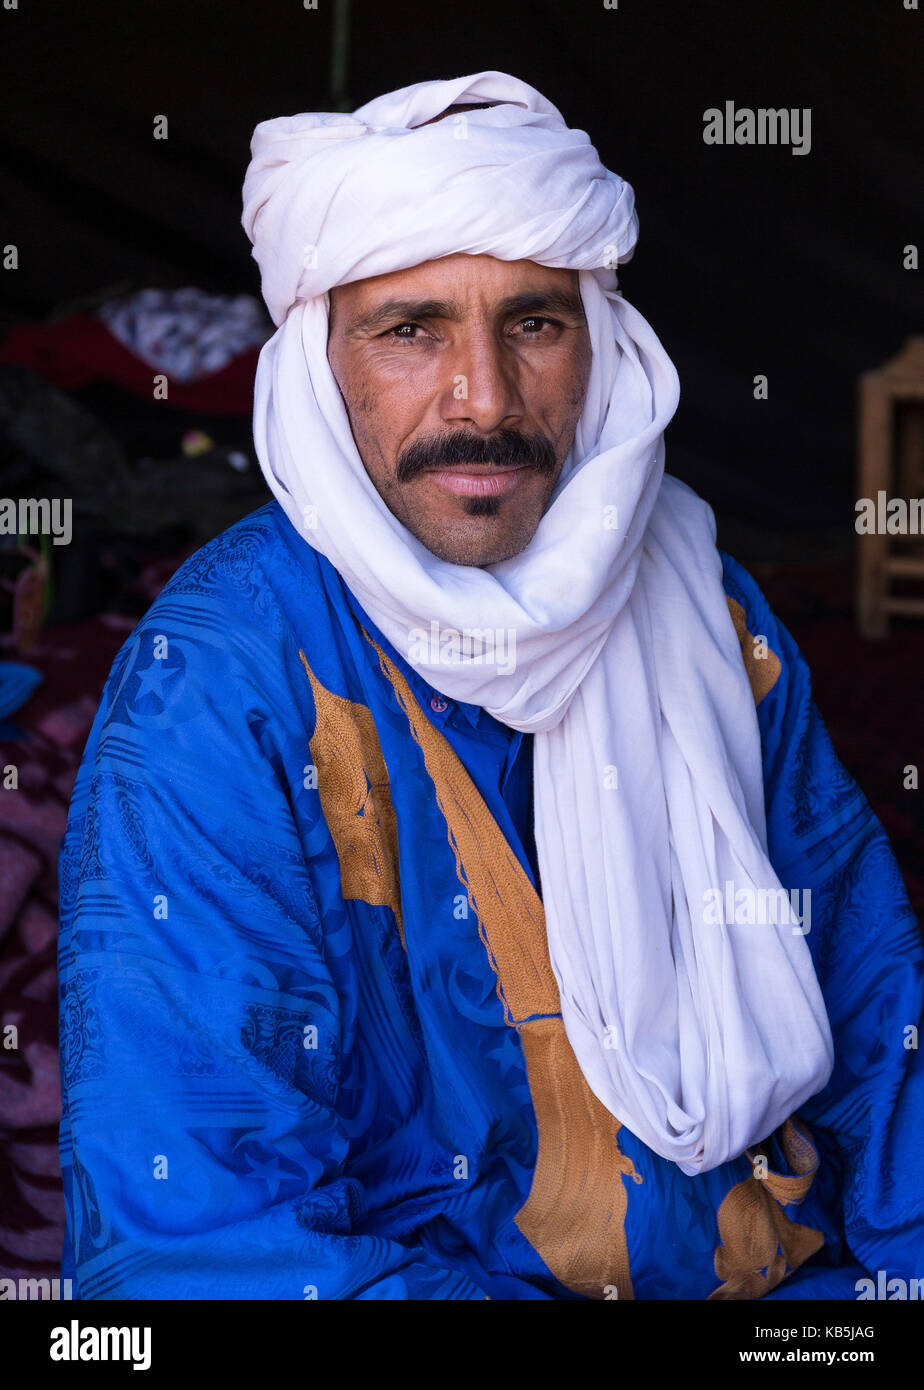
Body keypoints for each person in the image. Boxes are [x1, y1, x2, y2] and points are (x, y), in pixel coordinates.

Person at [57, 70, 923, 1301]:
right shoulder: (220, 680)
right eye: (410, 328)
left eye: (533, 323)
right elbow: (203, 1239)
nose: (486, 399)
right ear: (321, 364)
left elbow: (877, 1012)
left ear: (602, 347)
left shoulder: (705, 604)